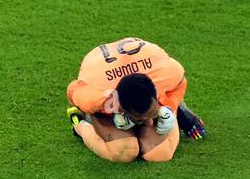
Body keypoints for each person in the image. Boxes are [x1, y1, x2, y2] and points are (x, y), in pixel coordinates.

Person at [66, 38, 205, 164]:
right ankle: (79, 124)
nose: (150, 122)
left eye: (153, 114)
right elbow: (72, 91)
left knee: (161, 154)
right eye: (141, 120)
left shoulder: (168, 74)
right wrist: (98, 109)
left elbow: (180, 83)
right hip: (101, 78)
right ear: (121, 109)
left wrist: (169, 105)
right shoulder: (93, 96)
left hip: (145, 63)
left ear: (156, 92)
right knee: (123, 152)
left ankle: (175, 110)